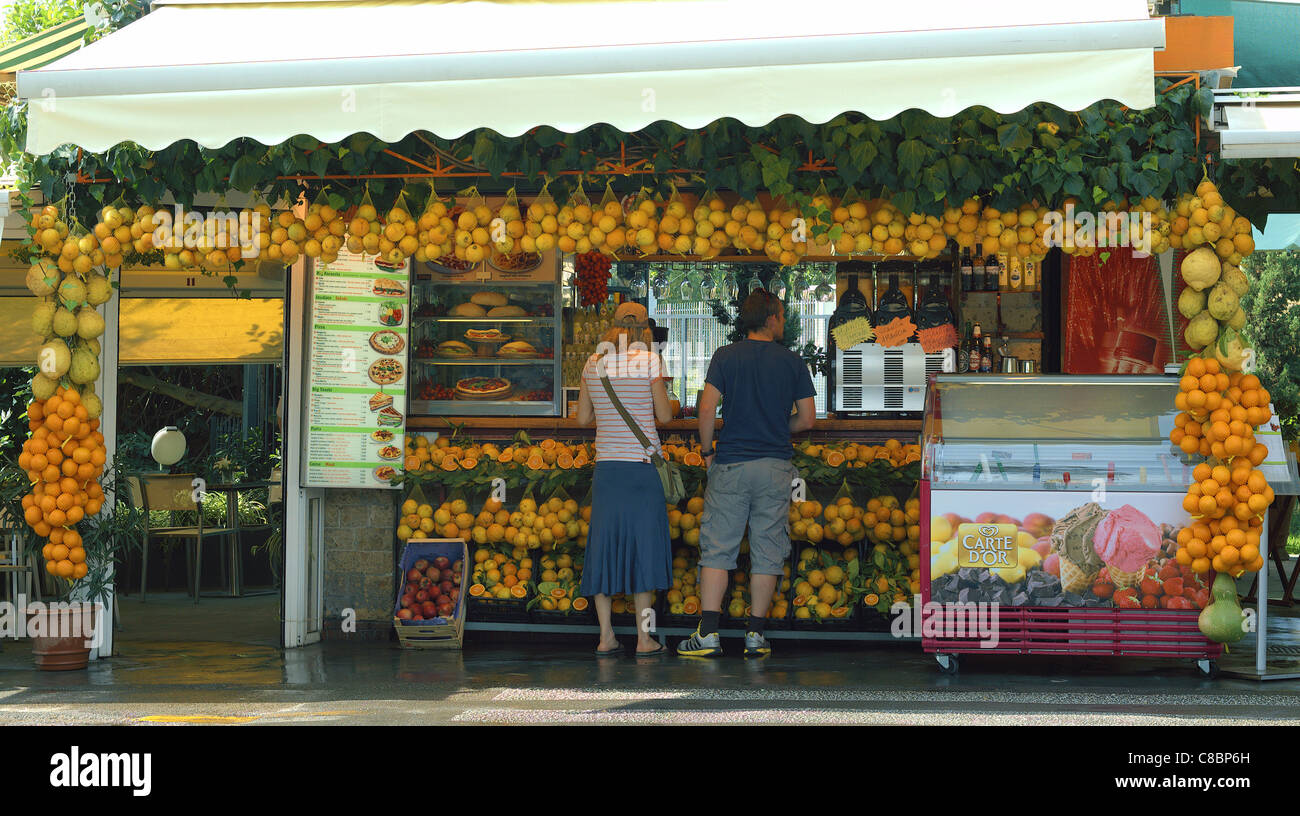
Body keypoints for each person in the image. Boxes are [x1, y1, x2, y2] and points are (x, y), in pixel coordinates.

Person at [677, 289, 816, 657]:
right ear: (770, 319)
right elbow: (807, 419)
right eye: (782, 316)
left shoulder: (725, 356)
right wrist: (773, 427)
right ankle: (755, 635)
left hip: (731, 464)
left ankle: (708, 634)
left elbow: (705, 409)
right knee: (768, 549)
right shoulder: (791, 362)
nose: (784, 322)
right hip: (774, 467)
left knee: (718, 548)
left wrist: (707, 453)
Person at [576, 301, 675, 657]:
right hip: (640, 469)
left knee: (602, 547)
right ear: (643, 327)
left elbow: (583, 419)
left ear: (613, 324)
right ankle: (644, 639)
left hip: (607, 470)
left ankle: (605, 636)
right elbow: (663, 415)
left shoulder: (593, 363)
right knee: (644, 552)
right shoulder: (650, 361)